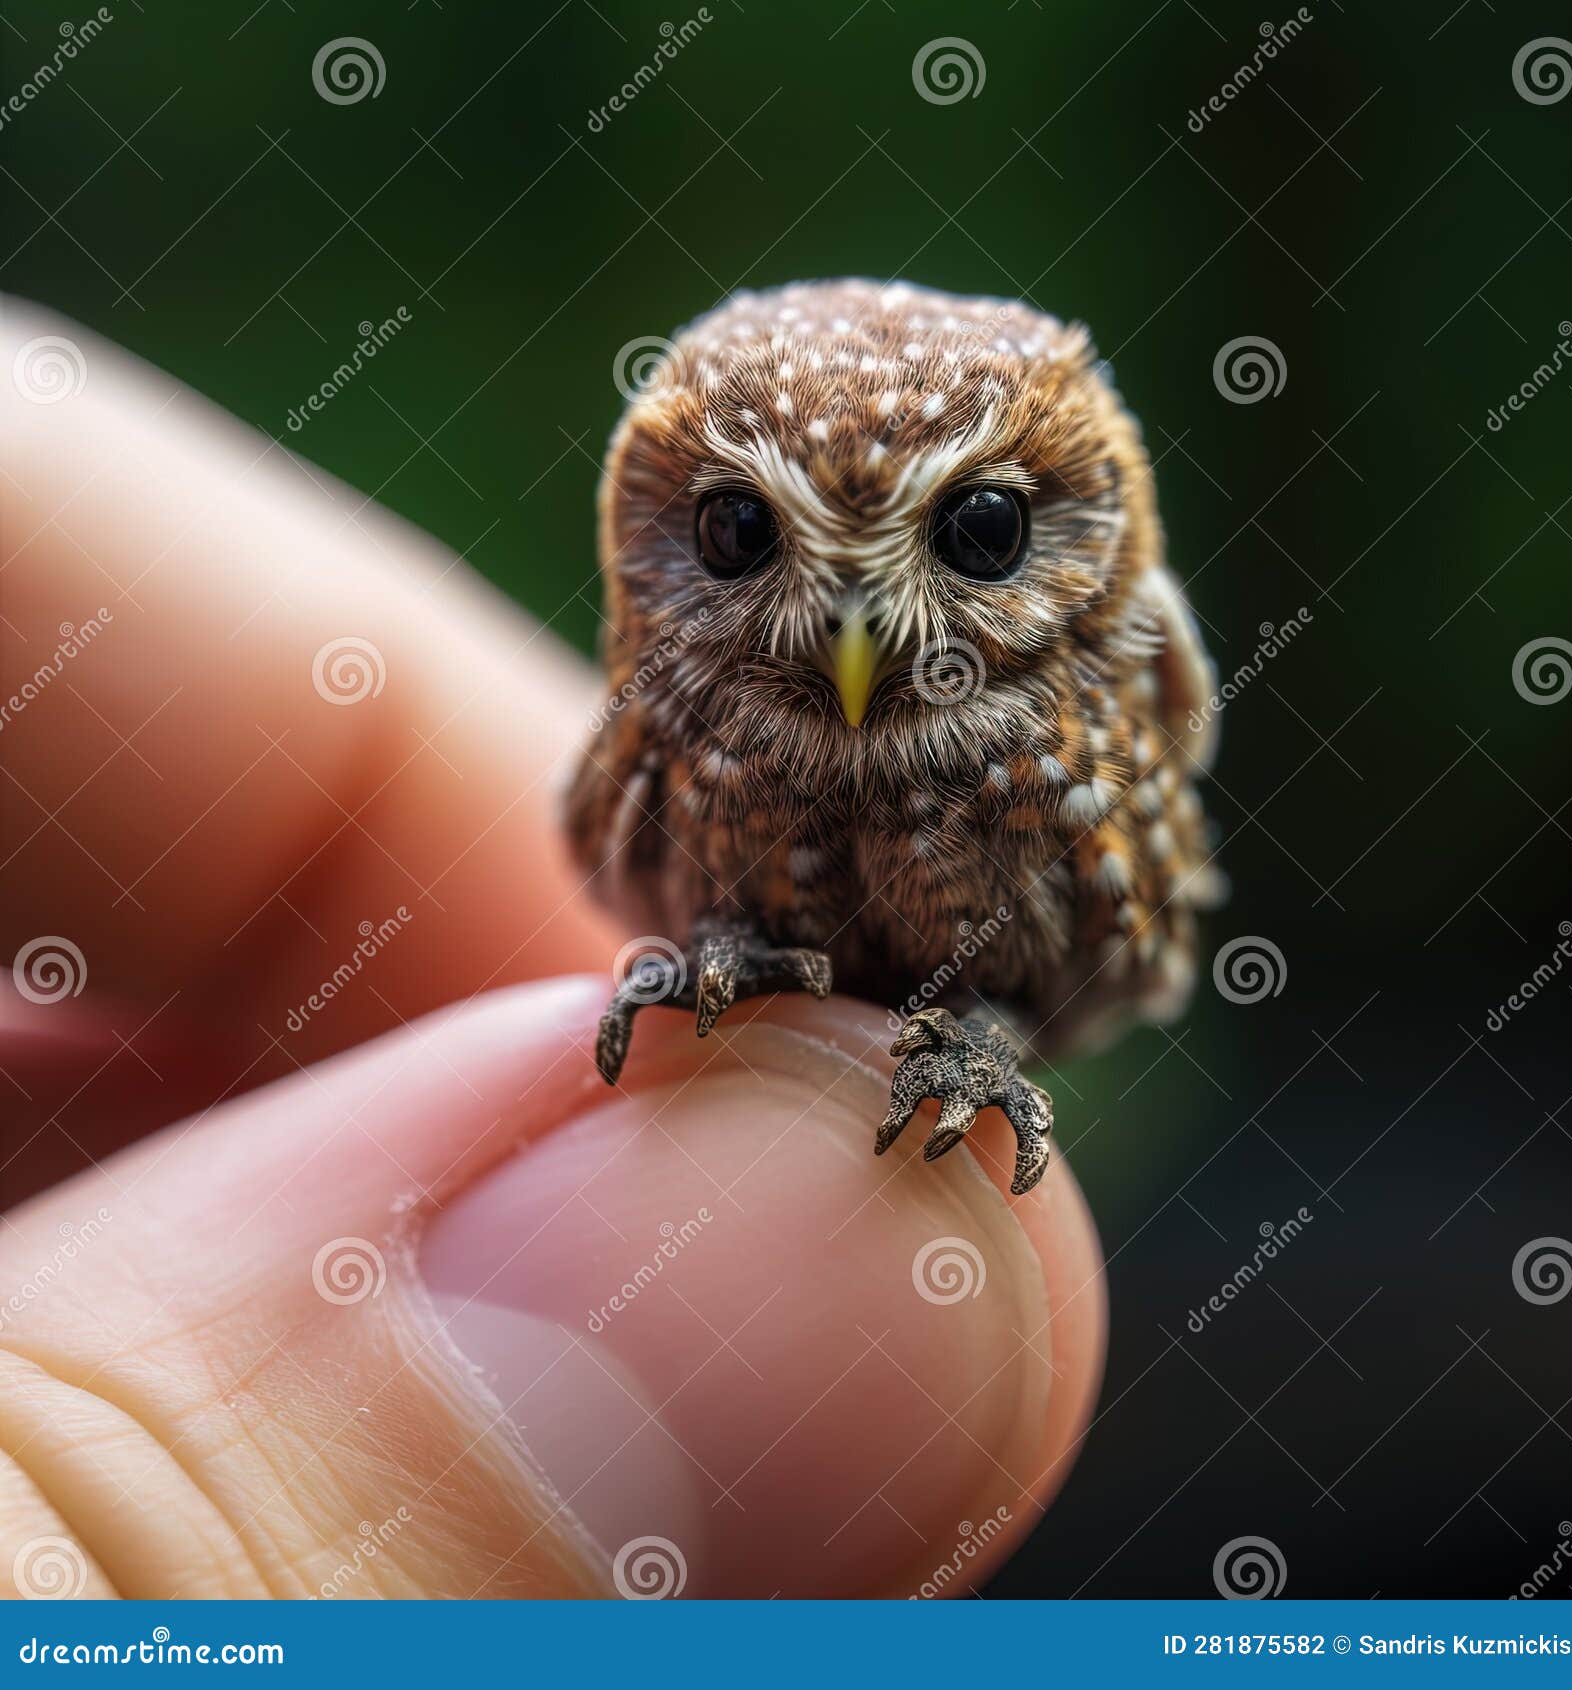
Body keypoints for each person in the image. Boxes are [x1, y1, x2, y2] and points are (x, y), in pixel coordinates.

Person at [0, 303, 1104, 1600]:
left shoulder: (1090, 700)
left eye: (973, 536)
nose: (853, 636)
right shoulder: (680, 707)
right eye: (745, 537)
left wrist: (982, 1030)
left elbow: (1097, 934)